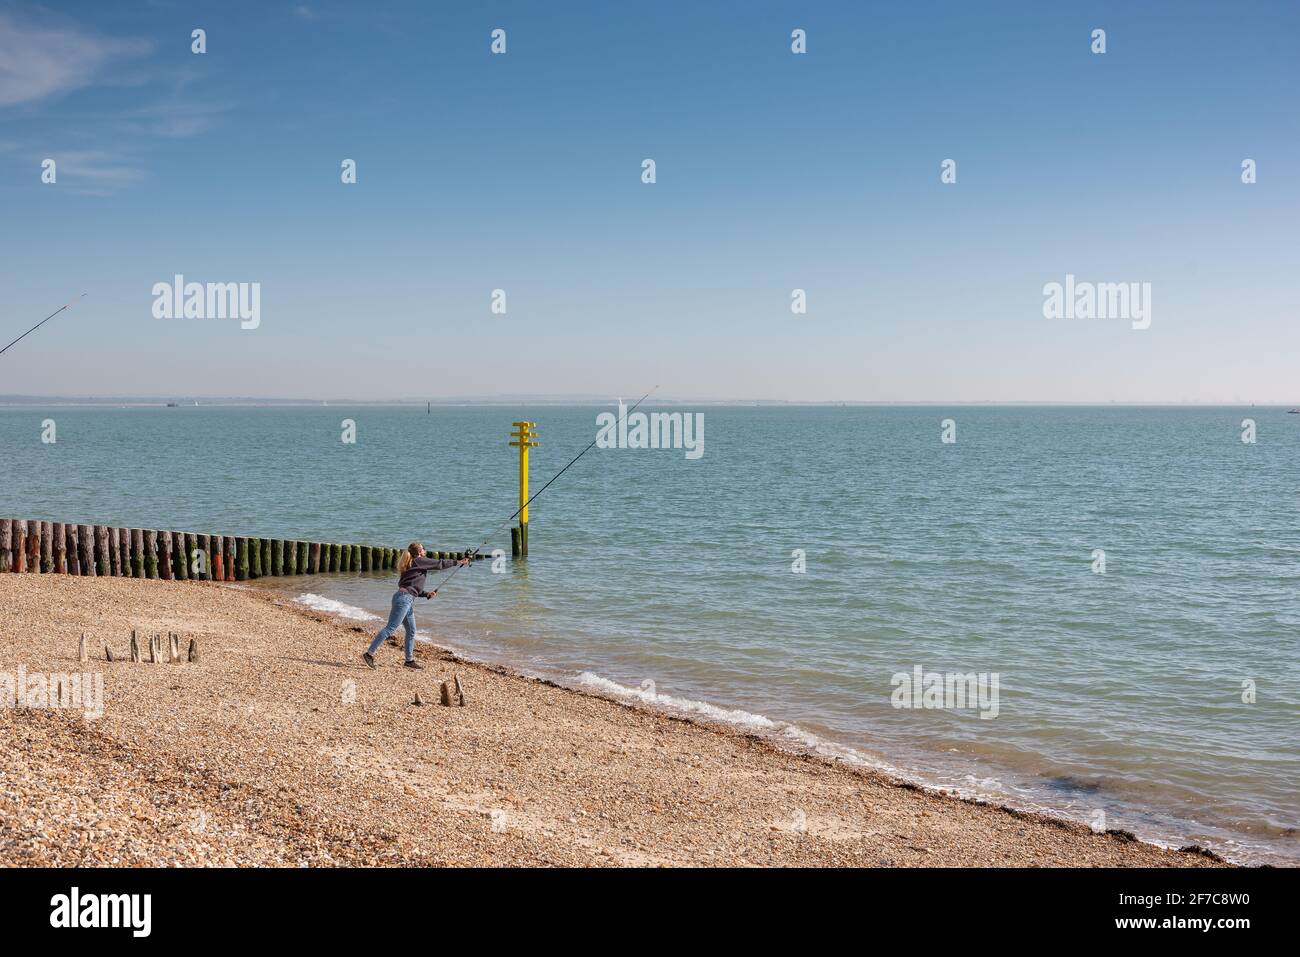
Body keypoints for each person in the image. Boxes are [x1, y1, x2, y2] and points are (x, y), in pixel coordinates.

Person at [363, 542, 471, 669]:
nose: (425, 550)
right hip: (404, 600)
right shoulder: (419, 560)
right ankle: (369, 654)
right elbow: (439, 564)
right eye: (423, 548)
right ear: (419, 552)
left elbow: (413, 588)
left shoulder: (412, 564)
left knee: (411, 630)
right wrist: (459, 562)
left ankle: (409, 661)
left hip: (405, 599)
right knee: (391, 628)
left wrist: (426, 594)